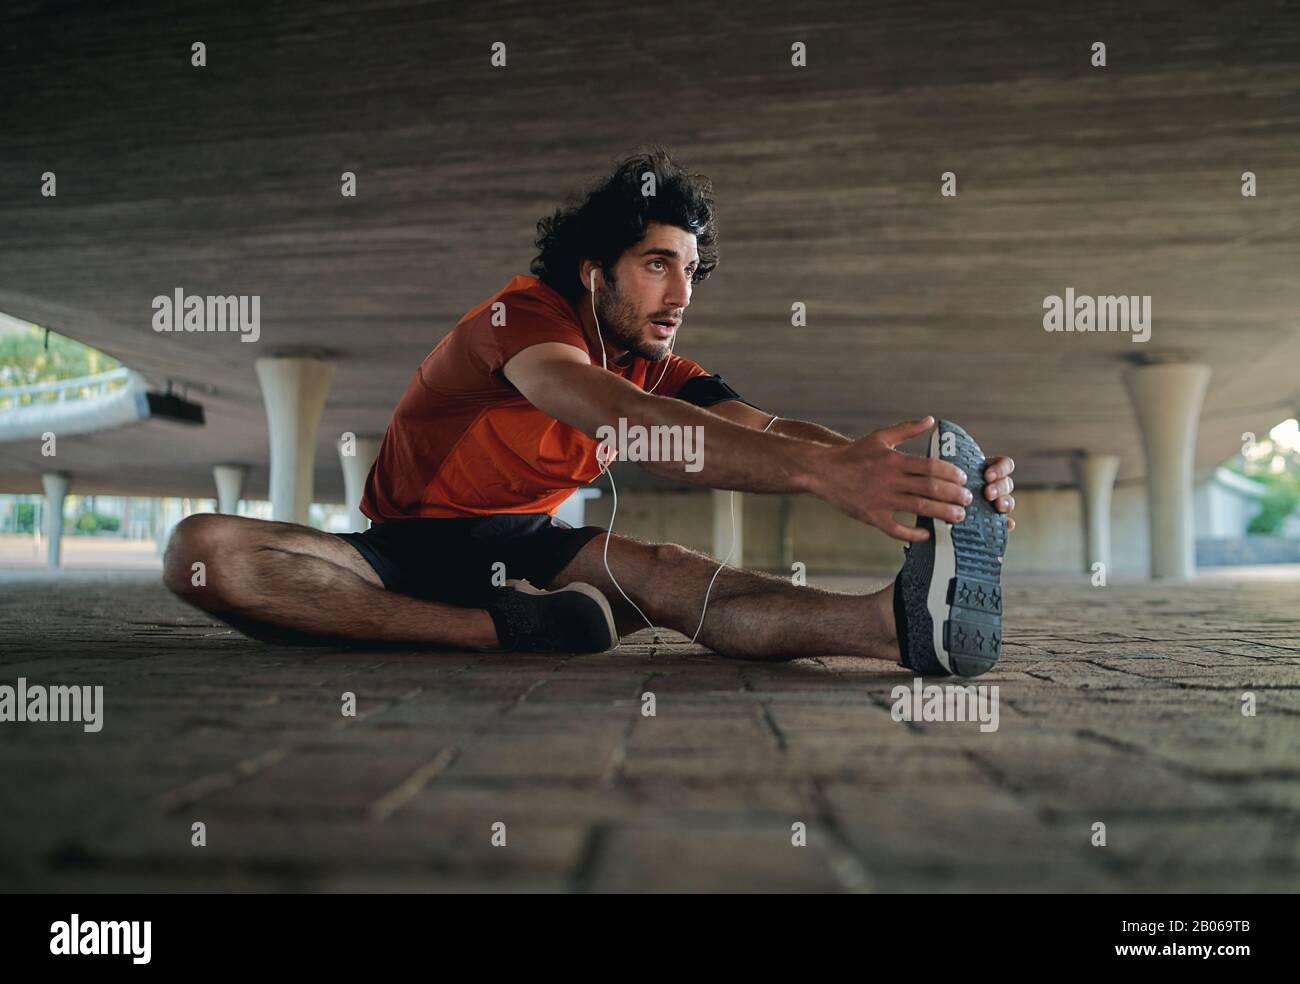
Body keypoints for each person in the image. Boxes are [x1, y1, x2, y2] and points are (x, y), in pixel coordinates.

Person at [164, 148, 1016, 675]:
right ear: (591, 270)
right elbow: (623, 418)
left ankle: (893, 628)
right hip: (402, 554)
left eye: (690, 272)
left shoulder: (651, 357)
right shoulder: (522, 323)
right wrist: (826, 475)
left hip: (536, 547)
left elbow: (761, 428)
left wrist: (910, 479)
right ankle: (493, 633)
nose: (682, 293)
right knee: (201, 553)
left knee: (679, 576)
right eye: (657, 265)